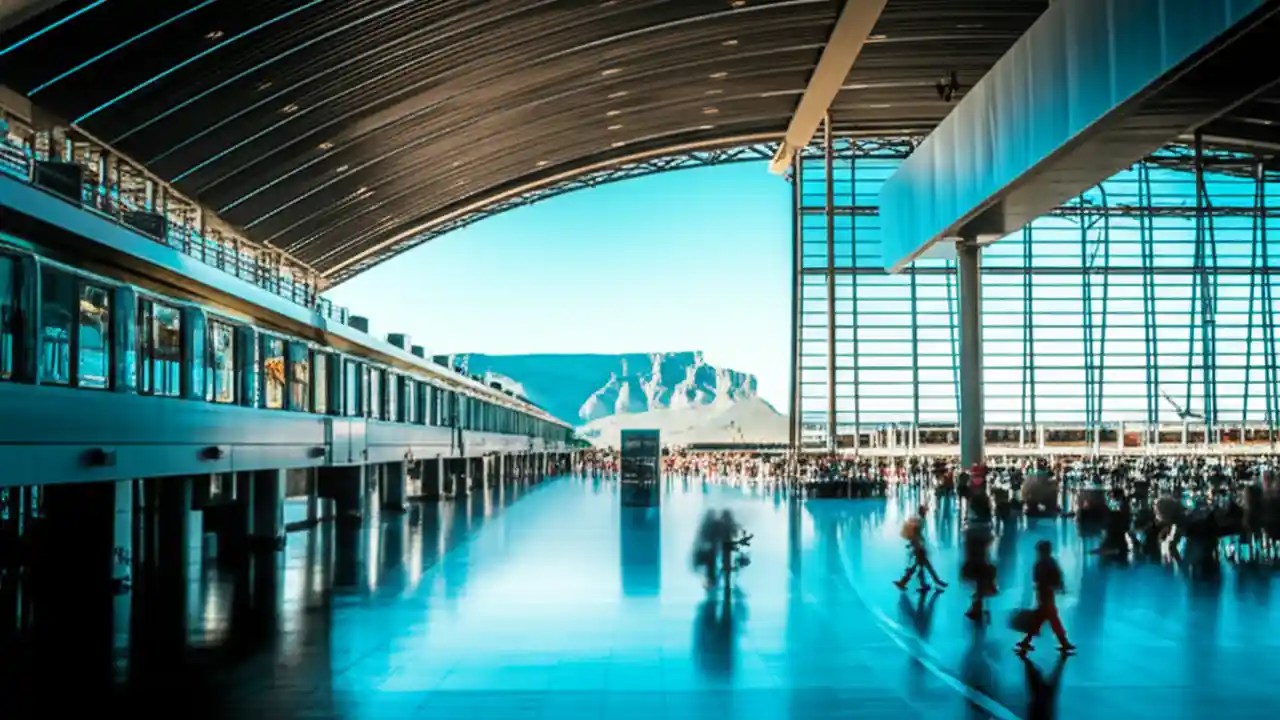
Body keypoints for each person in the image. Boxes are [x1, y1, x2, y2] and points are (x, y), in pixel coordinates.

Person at [1016, 540, 1076, 655]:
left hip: (1044, 594)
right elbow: (1057, 576)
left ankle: (1026, 641)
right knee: (1051, 619)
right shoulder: (1049, 562)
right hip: (1047, 595)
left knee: (1042, 619)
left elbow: (1038, 579)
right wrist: (1058, 586)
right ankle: (1063, 642)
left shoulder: (1041, 563)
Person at [894, 505, 946, 592]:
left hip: (917, 547)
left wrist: (914, 542)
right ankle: (935, 581)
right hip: (919, 548)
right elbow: (916, 533)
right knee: (925, 566)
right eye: (925, 511)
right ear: (923, 512)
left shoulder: (918, 520)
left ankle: (907, 582)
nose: (926, 513)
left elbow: (916, 533)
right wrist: (918, 543)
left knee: (918, 566)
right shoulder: (920, 520)